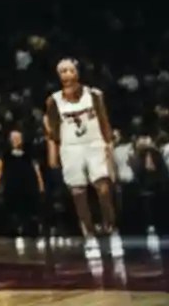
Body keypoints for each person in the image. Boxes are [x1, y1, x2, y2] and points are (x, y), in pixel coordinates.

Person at [44, 58, 122, 258]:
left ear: (78, 73)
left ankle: (111, 227)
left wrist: (109, 147)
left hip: (95, 143)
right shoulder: (54, 100)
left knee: (103, 188)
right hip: (71, 147)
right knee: (78, 193)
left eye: (70, 70)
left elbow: (104, 122)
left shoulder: (94, 95)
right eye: (62, 72)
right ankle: (89, 235)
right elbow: (53, 131)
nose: (67, 75)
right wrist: (54, 153)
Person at [0, 129, 46, 242]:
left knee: (28, 210)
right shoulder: (6, 155)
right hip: (11, 186)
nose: (16, 140)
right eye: (14, 138)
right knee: (11, 209)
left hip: (27, 186)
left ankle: (29, 230)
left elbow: (37, 170)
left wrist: (40, 184)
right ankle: (12, 230)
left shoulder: (29, 154)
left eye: (18, 138)